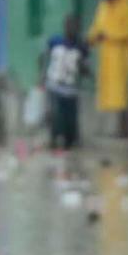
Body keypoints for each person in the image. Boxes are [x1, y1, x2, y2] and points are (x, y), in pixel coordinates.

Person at [88, 0, 128, 141]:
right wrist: (91, 38)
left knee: (122, 96)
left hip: (121, 57)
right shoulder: (103, 5)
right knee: (107, 97)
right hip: (106, 57)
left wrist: (109, 36)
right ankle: (114, 130)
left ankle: (125, 131)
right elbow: (97, 27)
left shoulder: (125, 4)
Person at [40, 15, 87, 152]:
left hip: (71, 89)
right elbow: (43, 57)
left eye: (75, 26)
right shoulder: (55, 41)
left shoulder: (81, 46)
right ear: (65, 27)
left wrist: (83, 68)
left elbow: (84, 68)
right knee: (56, 115)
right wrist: (42, 74)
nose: (72, 29)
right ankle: (54, 140)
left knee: (70, 118)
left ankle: (69, 143)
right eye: (69, 26)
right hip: (54, 85)